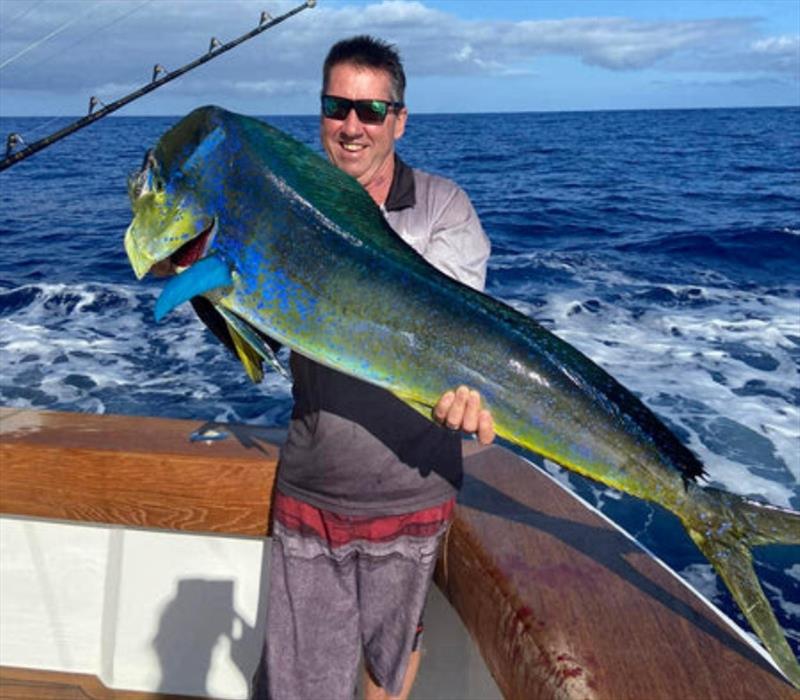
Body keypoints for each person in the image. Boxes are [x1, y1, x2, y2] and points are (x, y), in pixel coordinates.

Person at [251, 36, 494, 700]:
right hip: (311, 492)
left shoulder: (444, 207)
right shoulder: (287, 206)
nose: (352, 125)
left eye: (371, 110)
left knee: (389, 677)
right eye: (337, 107)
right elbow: (252, 327)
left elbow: (455, 337)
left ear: (399, 119)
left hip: (414, 497)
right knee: (300, 686)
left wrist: (468, 396)